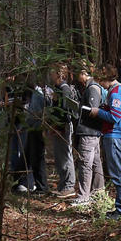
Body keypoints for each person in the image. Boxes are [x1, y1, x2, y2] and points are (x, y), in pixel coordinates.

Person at [86, 63, 121, 218]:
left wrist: (98, 112)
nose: (100, 84)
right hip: (113, 136)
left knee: (119, 173)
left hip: (116, 136)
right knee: (117, 172)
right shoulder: (114, 90)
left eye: (101, 81)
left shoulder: (116, 92)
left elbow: (115, 117)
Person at [72, 63, 104, 204]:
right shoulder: (91, 87)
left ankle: (84, 196)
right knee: (96, 162)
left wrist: (79, 108)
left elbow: (93, 110)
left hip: (89, 131)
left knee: (85, 163)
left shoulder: (92, 88)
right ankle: (98, 192)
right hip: (92, 131)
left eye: (78, 74)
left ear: (84, 74)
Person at [48, 64, 76, 197]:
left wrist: (58, 127)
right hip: (56, 127)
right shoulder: (57, 89)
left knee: (65, 156)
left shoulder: (65, 89)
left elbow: (65, 112)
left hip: (63, 128)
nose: (50, 75)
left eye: (52, 72)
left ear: (58, 74)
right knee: (59, 157)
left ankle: (69, 185)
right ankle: (62, 185)